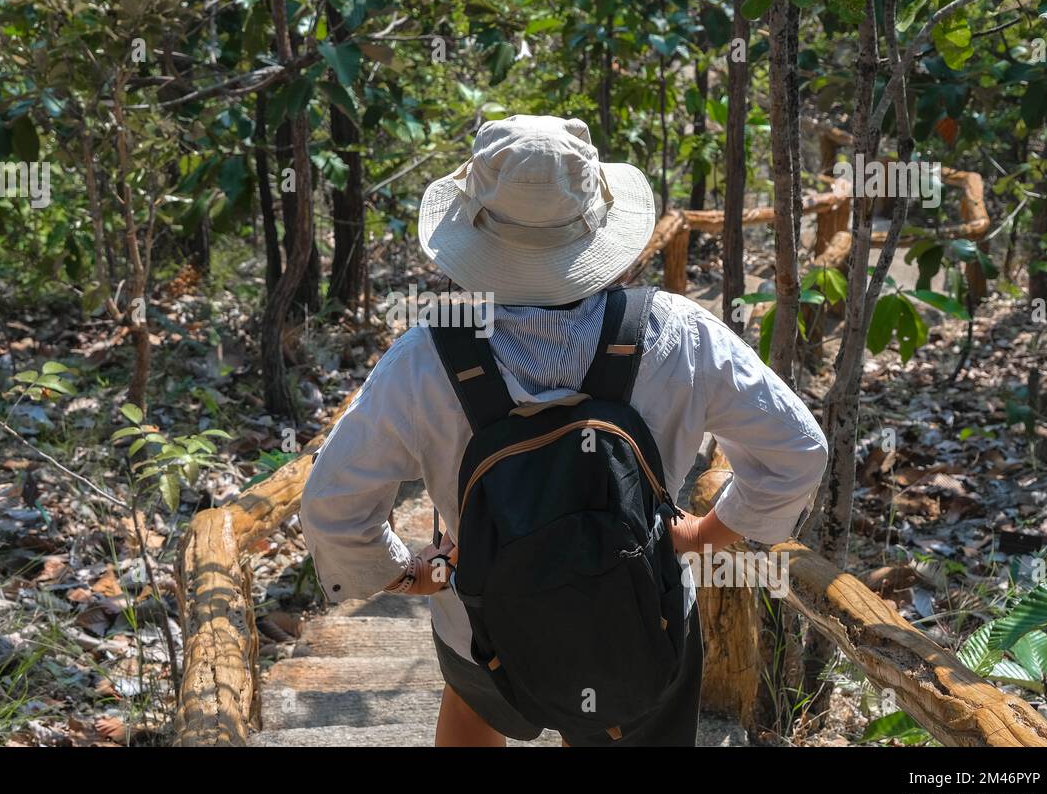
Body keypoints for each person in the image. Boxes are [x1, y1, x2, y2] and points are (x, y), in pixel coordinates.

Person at [299, 114, 828, 746]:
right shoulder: (676, 334)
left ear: (473, 226)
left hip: (485, 632)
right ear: (597, 224)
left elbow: (332, 509)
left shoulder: (425, 359)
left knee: (473, 712)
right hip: (643, 619)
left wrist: (424, 574)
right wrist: (702, 535)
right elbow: (798, 449)